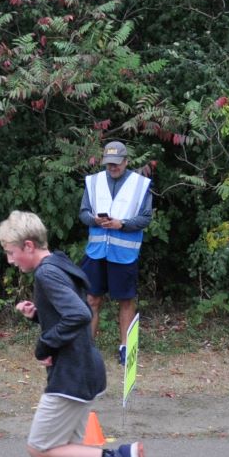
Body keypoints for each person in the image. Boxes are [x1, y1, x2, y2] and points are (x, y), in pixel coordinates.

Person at [0, 210, 146, 457]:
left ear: (28, 245)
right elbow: (69, 310)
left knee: (40, 448)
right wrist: (39, 315)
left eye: (10, 252)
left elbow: (79, 314)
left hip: (71, 376)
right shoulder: (58, 263)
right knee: (73, 449)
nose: (10, 260)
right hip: (84, 369)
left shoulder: (45, 275)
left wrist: (43, 345)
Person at [78, 139, 153, 365]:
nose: (112, 168)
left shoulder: (140, 184)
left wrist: (123, 224)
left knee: (126, 302)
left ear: (126, 161)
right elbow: (83, 213)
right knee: (91, 299)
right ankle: (86, 350)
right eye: (109, 164)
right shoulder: (93, 182)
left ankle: (126, 350)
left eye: (117, 164)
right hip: (97, 251)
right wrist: (94, 220)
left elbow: (146, 218)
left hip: (124, 254)